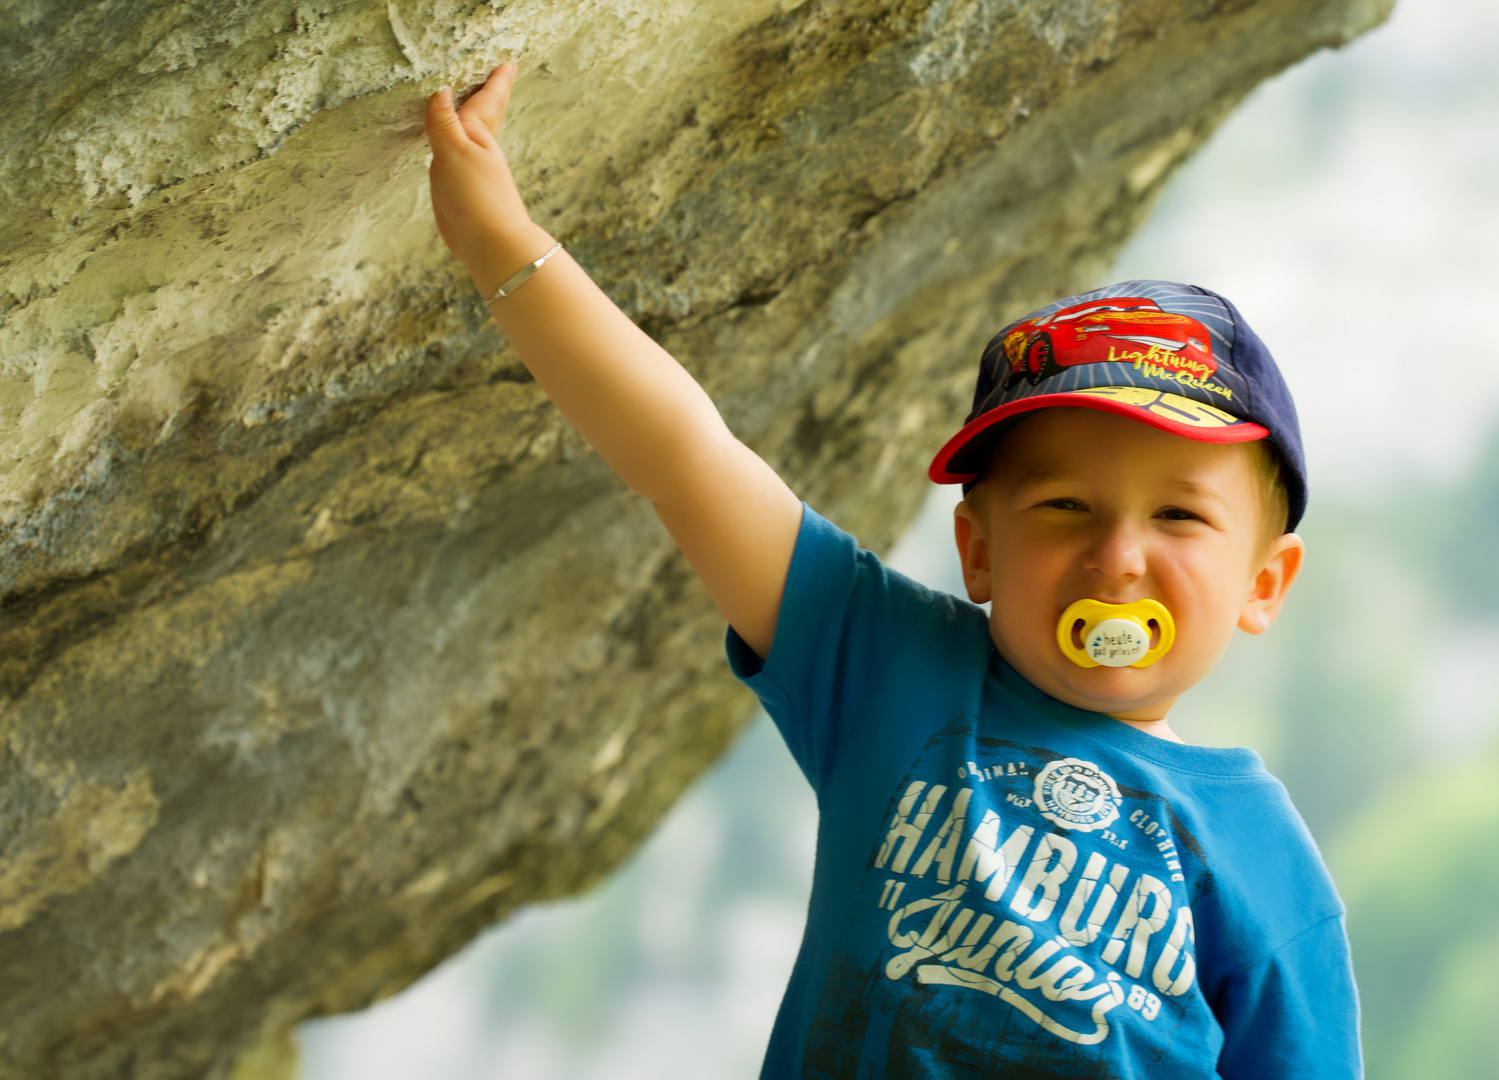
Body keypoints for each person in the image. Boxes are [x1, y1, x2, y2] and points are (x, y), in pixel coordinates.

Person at [425, 62, 1361, 1079]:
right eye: (1062, 506)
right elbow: (687, 459)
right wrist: (497, 240)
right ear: (977, 550)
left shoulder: (1265, 865)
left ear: (1265, 583)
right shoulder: (890, 670)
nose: (1116, 553)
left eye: (1178, 515)